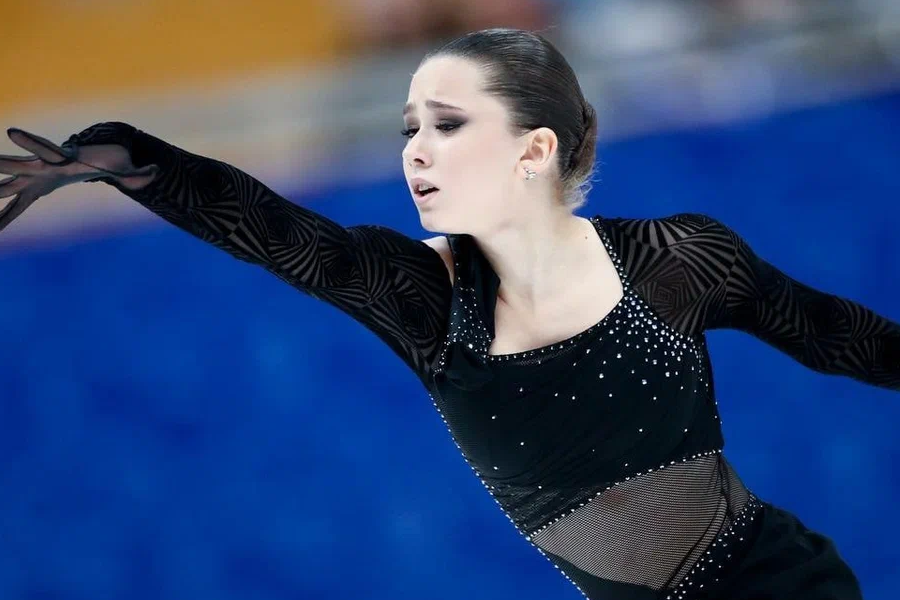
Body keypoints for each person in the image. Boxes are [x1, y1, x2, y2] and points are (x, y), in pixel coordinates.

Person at [0, 27, 897, 600]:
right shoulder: (426, 301)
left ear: (534, 148)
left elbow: (840, 337)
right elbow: (273, 231)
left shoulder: (675, 260)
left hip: (781, 581)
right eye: (409, 129)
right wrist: (134, 161)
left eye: (447, 125)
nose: (416, 153)